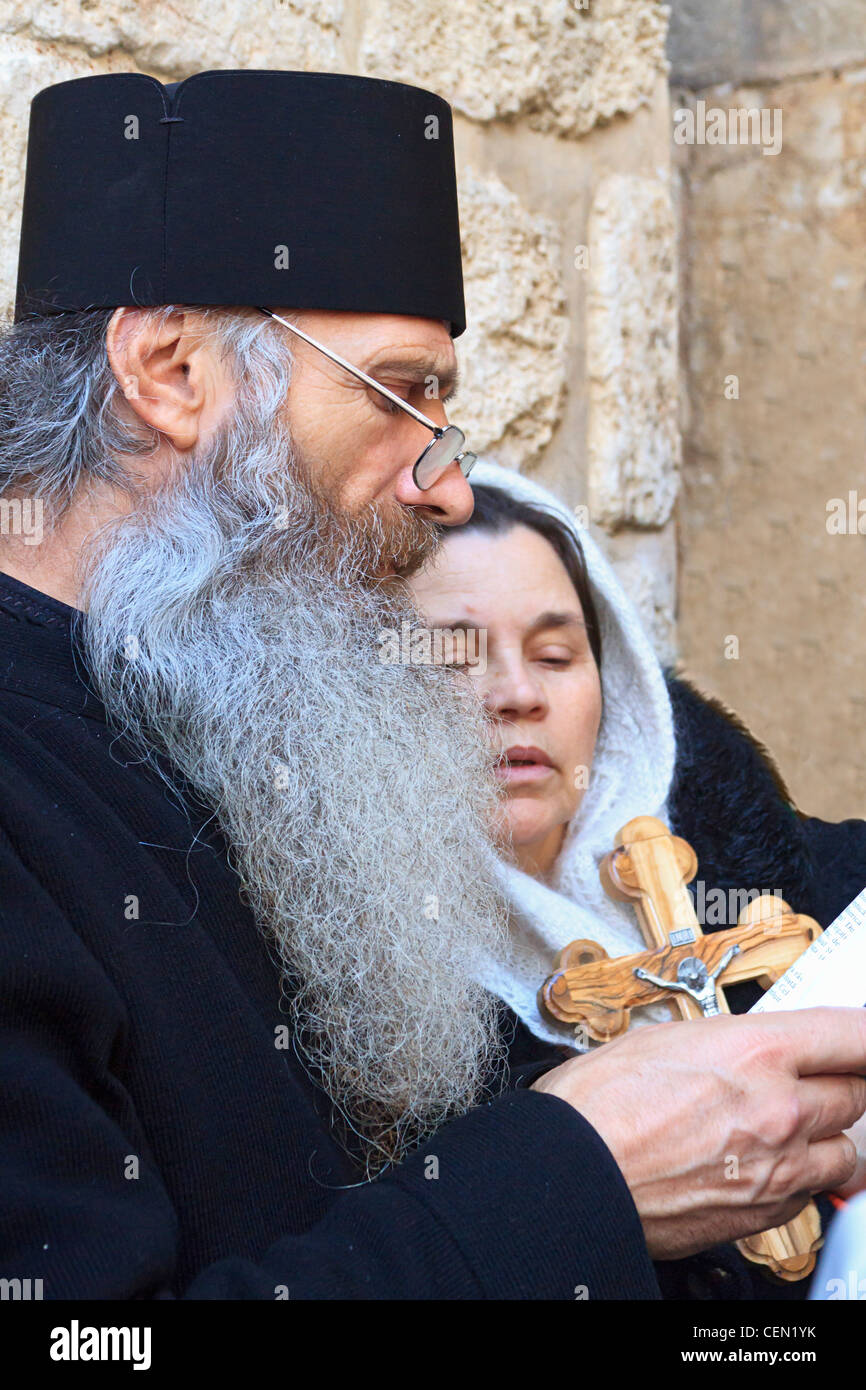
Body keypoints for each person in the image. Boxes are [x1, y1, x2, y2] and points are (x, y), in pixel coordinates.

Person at [1, 68, 865, 1302]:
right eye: (403, 394)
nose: (449, 487)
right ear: (171, 369)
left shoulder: (247, 727)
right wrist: (579, 1183)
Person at [408, 460, 866, 1298]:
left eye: (556, 653)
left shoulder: (810, 897)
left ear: (612, 687)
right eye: (451, 658)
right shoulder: (351, 1024)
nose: (516, 694)